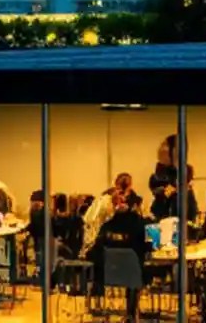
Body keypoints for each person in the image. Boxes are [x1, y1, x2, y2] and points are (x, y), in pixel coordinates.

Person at [89, 191, 149, 320]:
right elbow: (148, 247)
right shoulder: (141, 225)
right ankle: (131, 314)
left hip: (110, 275)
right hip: (134, 275)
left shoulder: (106, 227)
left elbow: (95, 251)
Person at [82, 173, 134, 257]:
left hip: (103, 245)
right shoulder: (104, 203)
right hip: (96, 245)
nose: (124, 198)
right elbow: (92, 223)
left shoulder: (108, 200)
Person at [149, 135, 198, 221]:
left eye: (165, 144)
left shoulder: (186, 171)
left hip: (183, 216)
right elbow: (159, 193)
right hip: (164, 217)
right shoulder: (159, 173)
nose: (160, 148)